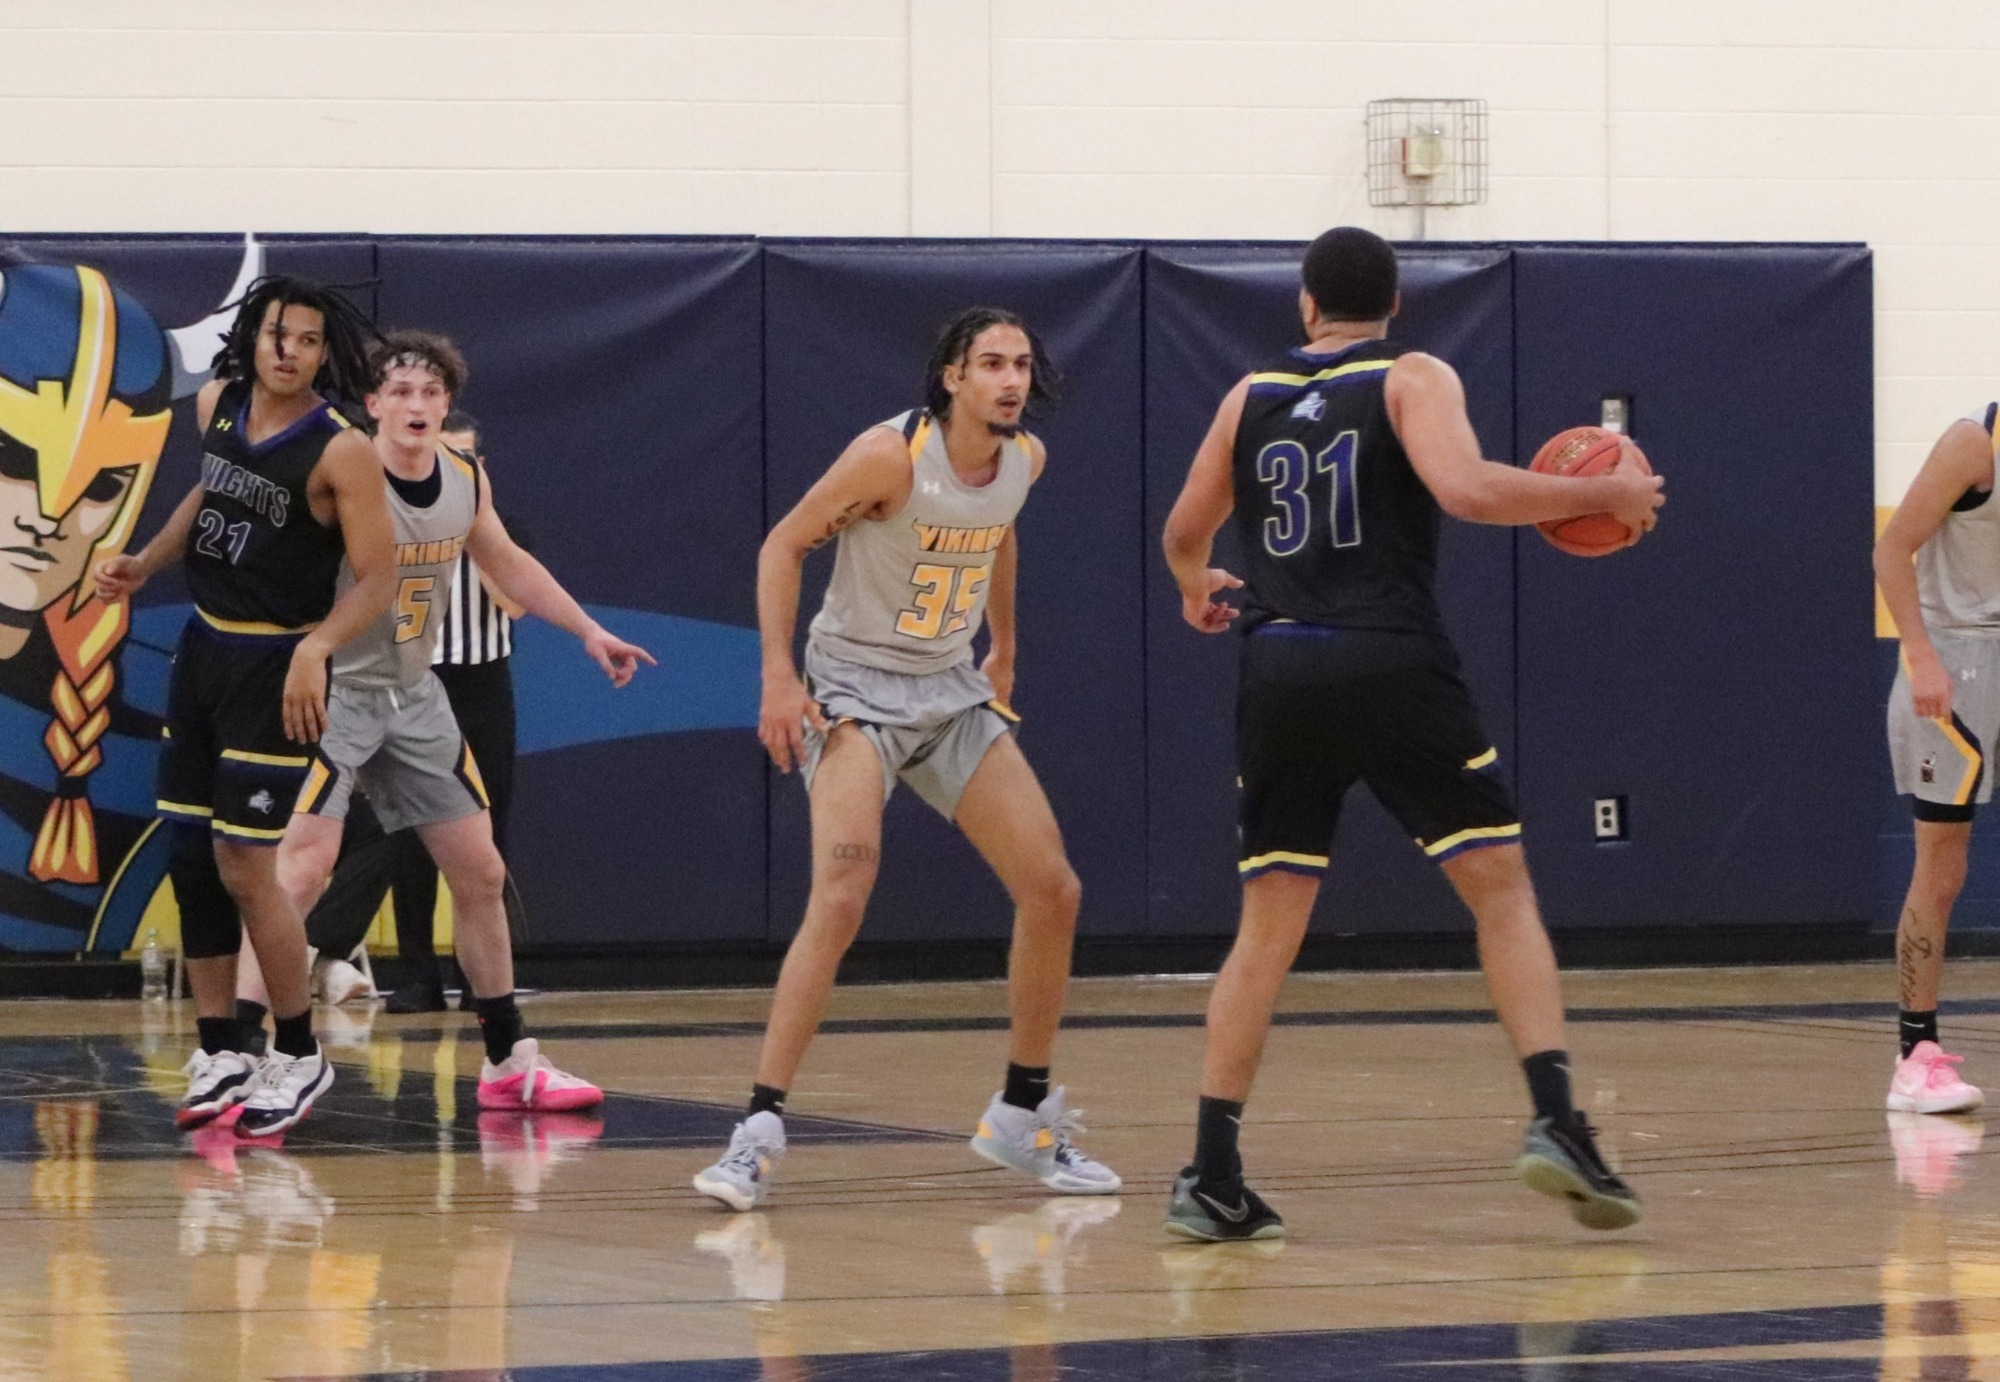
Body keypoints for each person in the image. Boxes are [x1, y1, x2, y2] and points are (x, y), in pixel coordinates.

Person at [1157, 227, 1665, 1241]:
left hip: (1279, 664)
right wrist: (1597, 491)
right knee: (1499, 887)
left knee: (1265, 925)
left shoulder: (1245, 395)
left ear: (1305, 306)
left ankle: (1211, 1171)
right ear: (1394, 304)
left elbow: (1181, 532)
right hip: (1388, 657)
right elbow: (1468, 489)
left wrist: (1191, 584)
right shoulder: (1412, 375)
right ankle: (1556, 1120)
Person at [692, 307, 1119, 1210]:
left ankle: (1022, 1113)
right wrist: (777, 677)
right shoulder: (889, 458)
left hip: (950, 693)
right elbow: (782, 546)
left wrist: (1002, 646)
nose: (1011, 379)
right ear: (953, 378)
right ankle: (757, 1132)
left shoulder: (1025, 460)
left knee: (1055, 889)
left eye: (1021, 364)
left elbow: (998, 531)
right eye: (992, 364)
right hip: (853, 693)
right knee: (843, 888)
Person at [237, 331, 652, 1110]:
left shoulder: (464, 478)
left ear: (446, 405)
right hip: (335, 693)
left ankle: (507, 1057)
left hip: (414, 693)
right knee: (299, 870)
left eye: (430, 393)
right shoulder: (337, 472)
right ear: (371, 404)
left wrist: (588, 629)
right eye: (399, 392)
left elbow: (507, 564)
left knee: (481, 869)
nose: (416, 406)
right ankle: (240, 1050)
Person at [97, 276, 398, 1138]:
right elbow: (211, 493)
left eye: (306, 340)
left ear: (321, 353)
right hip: (204, 648)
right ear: (253, 336)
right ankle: (223, 1045)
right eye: (276, 334)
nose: (287, 350)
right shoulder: (217, 405)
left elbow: (379, 577)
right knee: (193, 856)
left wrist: (315, 648)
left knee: (245, 865)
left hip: (278, 665)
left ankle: (298, 1051)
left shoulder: (342, 451)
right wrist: (147, 561)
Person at [1874, 407, 2000, 1116]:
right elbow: (1891, 550)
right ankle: (1916, 1057)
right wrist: (1920, 654)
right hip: (1954, 665)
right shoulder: (1972, 443)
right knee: (1943, 867)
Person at [385, 408, 526, 1014]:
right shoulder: (394, 520)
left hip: (482, 682)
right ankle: (417, 973)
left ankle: (481, 977)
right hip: (415, 678)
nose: (451, 466)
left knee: (486, 828)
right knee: (411, 833)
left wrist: (473, 533)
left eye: (463, 456)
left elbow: (516, 605)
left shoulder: (495, 526)